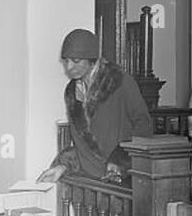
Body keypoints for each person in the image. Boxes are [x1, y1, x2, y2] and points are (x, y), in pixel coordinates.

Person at [39, 28, 153, 183]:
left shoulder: (120, 82)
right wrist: (63, 166)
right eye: (66, 60)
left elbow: (144, 127)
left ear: (92, 60)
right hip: (89, 182)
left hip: (121, 180)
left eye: (76, 61)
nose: (69, 67)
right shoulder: (71, 91)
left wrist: (120, 161)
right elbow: (84, 145)